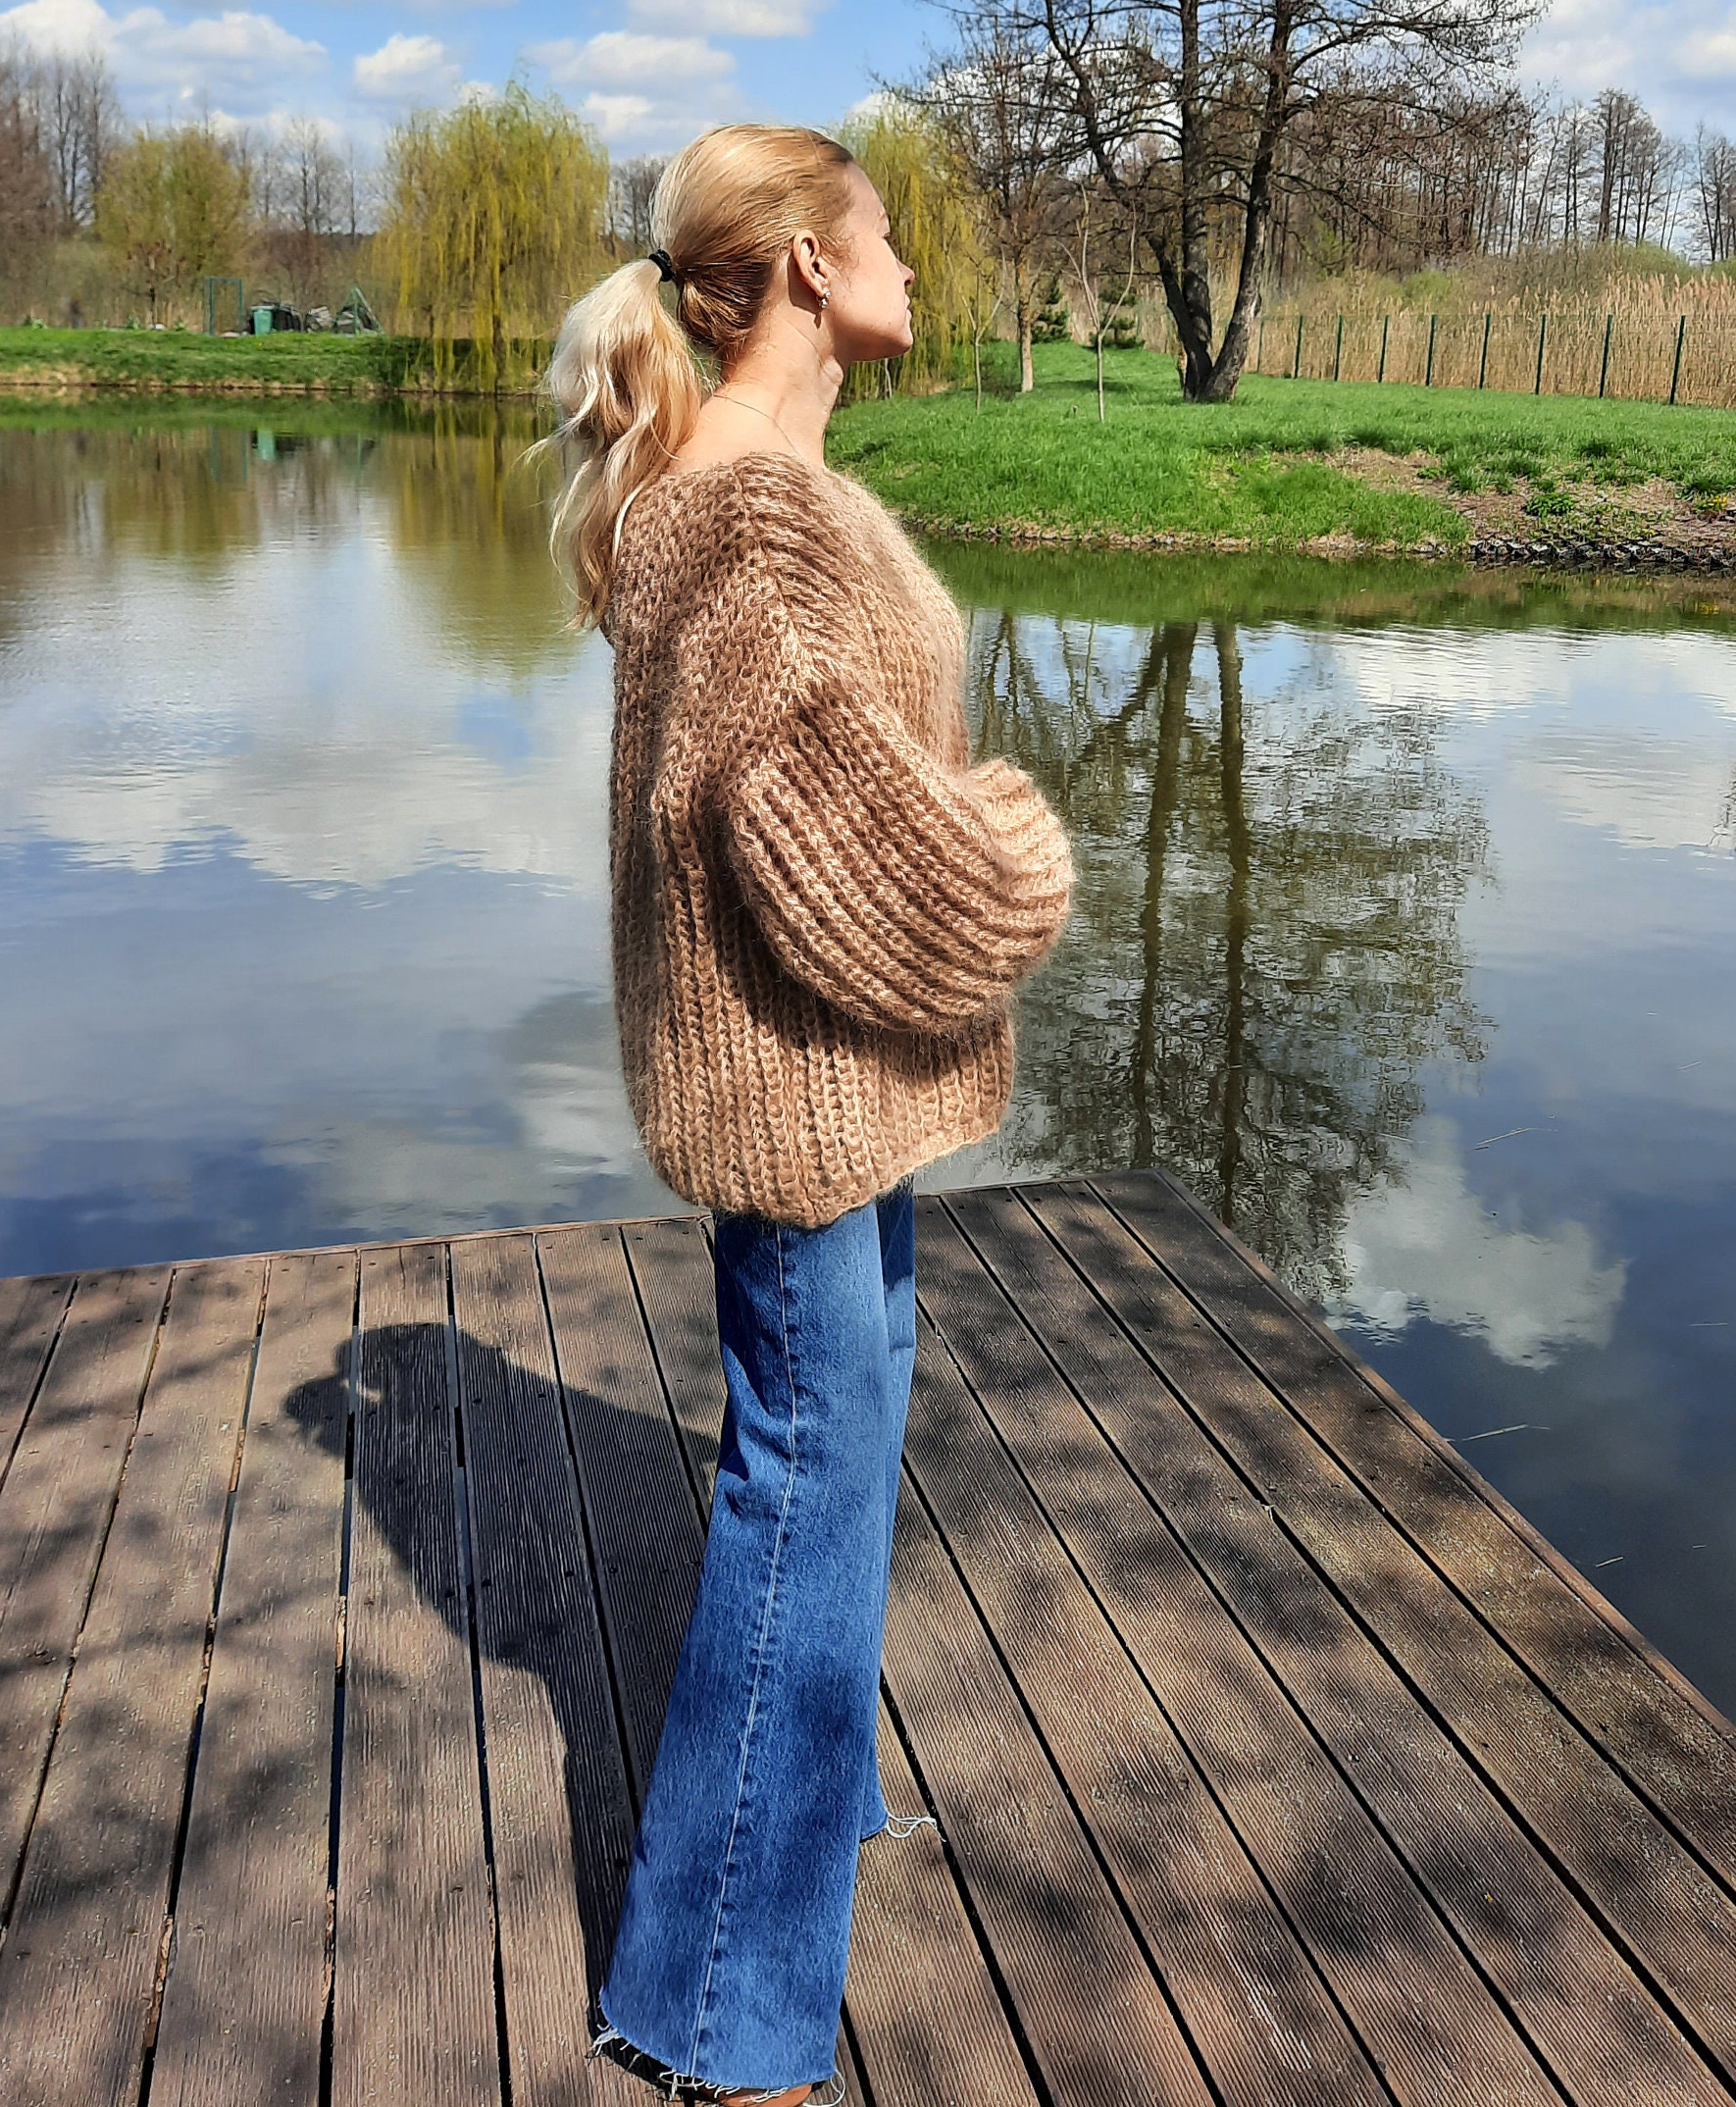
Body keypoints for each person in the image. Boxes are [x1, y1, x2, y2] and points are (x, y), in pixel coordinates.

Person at [540, 122, 1073, 2107]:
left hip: (822, 1084)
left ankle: (796, 1838)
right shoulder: (751, 518)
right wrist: (1010, 853)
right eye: (887, 239)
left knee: (834, 1450)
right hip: (798, 1084)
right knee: (807, 1488)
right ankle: (714, 2004)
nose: (914, 268)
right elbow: (826, 841)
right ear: (801, 273)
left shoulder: (742, 487)